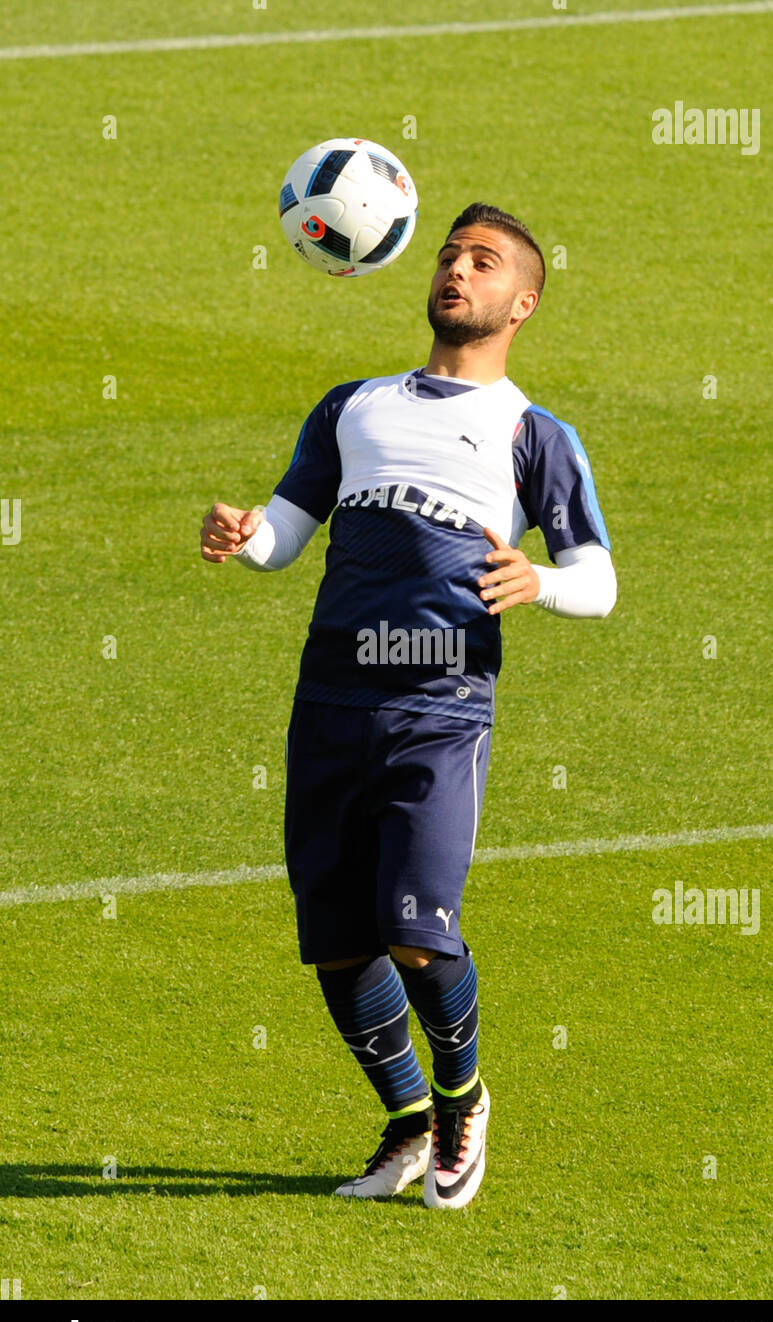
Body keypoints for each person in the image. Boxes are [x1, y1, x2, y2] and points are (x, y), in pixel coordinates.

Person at [200, 203, 617, 1210]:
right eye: (447, 256)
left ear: (520, 301)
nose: (455, 273)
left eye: (481, 263)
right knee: (339, 940)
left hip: (440, 701)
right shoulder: (353, 407)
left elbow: (597, 578)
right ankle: (402, 1126)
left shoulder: (532, 433)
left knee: (418, 930)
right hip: (331, 692)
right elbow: (286, 537)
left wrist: (537, 582)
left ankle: (460, 1097)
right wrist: (243, 532)